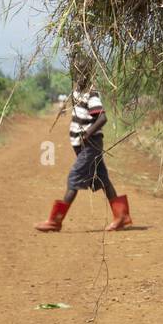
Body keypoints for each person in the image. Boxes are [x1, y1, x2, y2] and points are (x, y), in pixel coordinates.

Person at [35, 76, 132, 232]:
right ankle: (121, 216)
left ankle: (55, 221)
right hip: (85, 146)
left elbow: (102, 117)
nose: (79, 77)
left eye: (82, 73)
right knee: (102, 179)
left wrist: (87, 134)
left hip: (90, 146)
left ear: (88, 74)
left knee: (74, 177)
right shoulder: (76, 92)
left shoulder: (91, 94)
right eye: (76, 73)